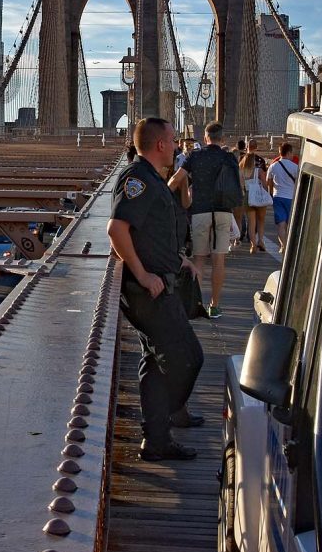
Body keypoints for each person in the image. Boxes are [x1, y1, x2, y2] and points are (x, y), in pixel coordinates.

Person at [109, 117, 206, 462]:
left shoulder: (151, 178)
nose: (178, 146)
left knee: (154, 360)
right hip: (148, 291)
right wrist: (145, 275)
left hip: (160, 283)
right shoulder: (138, 180)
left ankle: (157, 439)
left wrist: (178, 260)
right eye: (174, 140)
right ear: (160, 145)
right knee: (189, 358)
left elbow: (150, 231)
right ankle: (166, 415)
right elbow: (117, 229)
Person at [183, 122, 241, 318]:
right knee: (219, 259)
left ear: (205, 138)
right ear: (222, 139)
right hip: (223, 211)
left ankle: (196, 304)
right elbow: (238, 183)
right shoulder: (229, 157)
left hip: (200, 211)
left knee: (199, 259)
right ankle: (214, 306)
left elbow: (177, 179)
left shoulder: (195, 156)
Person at [268, 142, 300, 252]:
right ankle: (289, 247)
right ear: (289, 152)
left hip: (277, 197)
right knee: (290, 223)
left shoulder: (273, 166)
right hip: (291, 198)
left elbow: (269, 182)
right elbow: (299, 183)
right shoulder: (295, 167)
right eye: (292, 153)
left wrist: (271, 193)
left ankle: (284, 245)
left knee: (281, 224)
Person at [240, 143, 270, 253]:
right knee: (261, 220)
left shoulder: (241, 170)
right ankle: (261, 241)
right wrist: (266, 193)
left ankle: (253, 244)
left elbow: (241, 185)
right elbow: (265, 183)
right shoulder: (258, 171)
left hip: (248, 196)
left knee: (251, 222)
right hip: (258, 195)